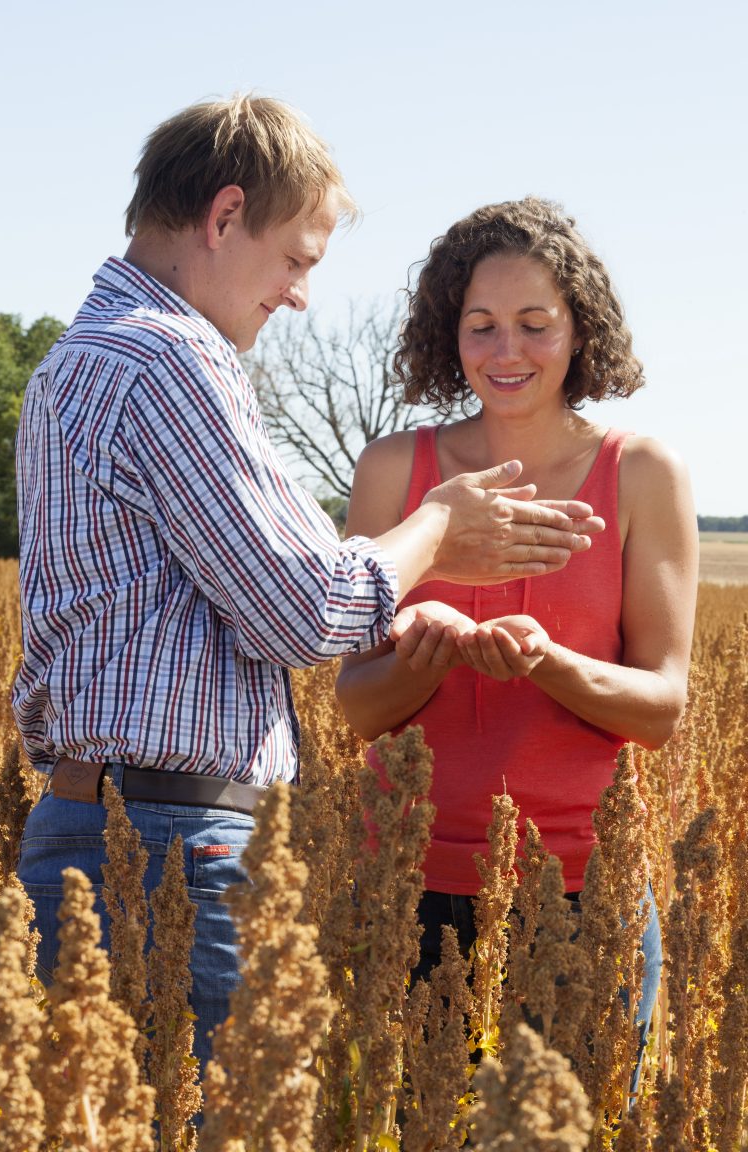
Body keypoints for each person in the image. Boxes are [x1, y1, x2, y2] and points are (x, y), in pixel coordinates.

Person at [13, 102, 604, 1070]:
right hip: (168, 846)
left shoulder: (73, 362)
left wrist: (418, 571)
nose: (297, 295)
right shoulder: (168, 357)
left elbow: (243, 585)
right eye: (296, 259)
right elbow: (304, 611)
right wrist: (436, 527)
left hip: (96, 824)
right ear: (225, 215)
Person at [336, 197, 699, 1083]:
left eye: (535, 325)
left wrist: (547, 661)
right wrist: (422, 661)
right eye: (482, 326)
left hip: (582, 891)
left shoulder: (641, 472)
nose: (507, 351)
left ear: (580, 332)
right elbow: (359, 706)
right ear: (449, 334)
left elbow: (659, 708)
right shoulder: (394, 469)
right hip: (408, 884)